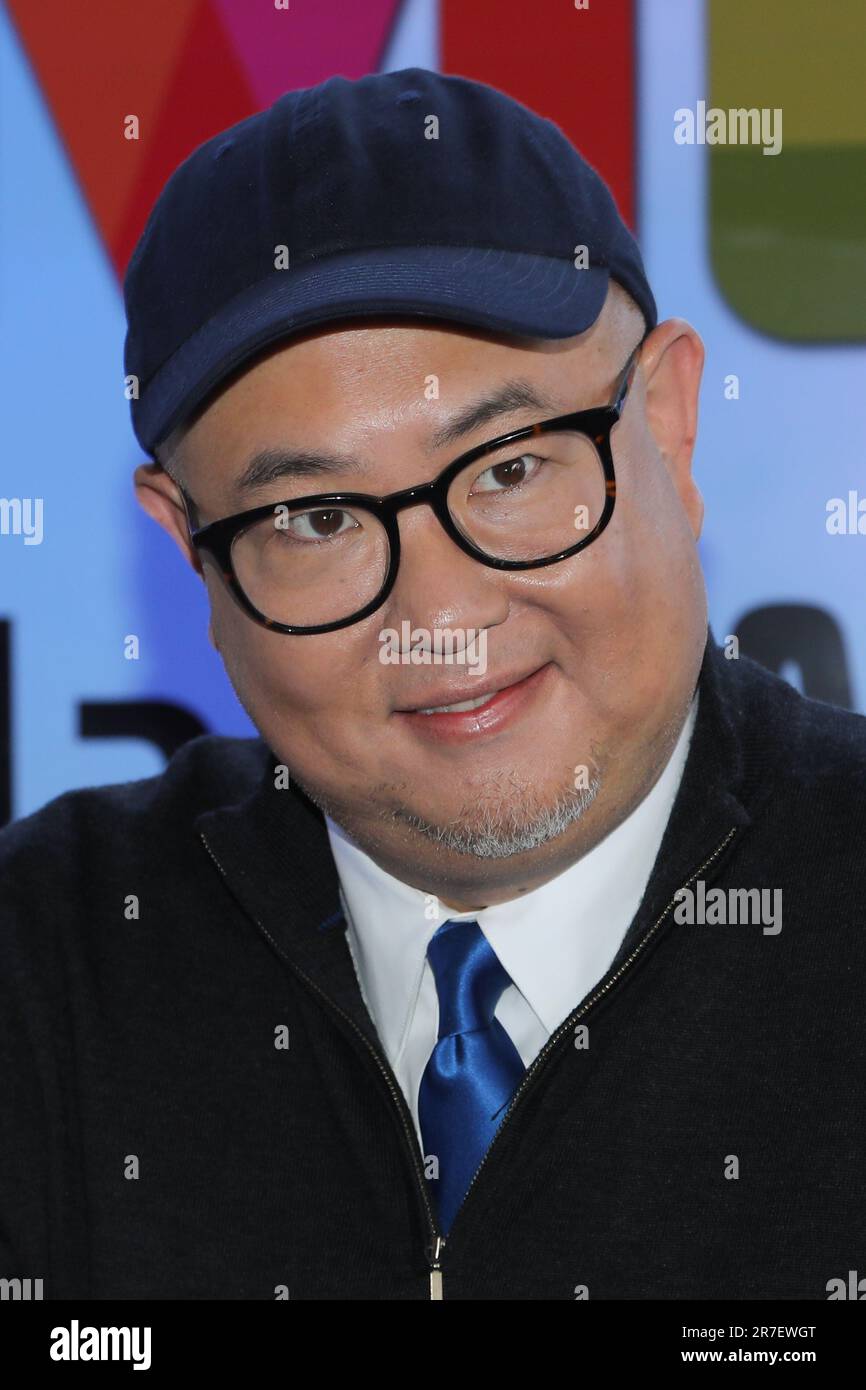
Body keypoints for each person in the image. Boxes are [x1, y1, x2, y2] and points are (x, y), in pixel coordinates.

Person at [1, 67, 864, 1302]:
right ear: (184, 540)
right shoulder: (47, 966)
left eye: (509, 470)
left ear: (668, 425)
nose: (439, 616)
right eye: (315, 517)